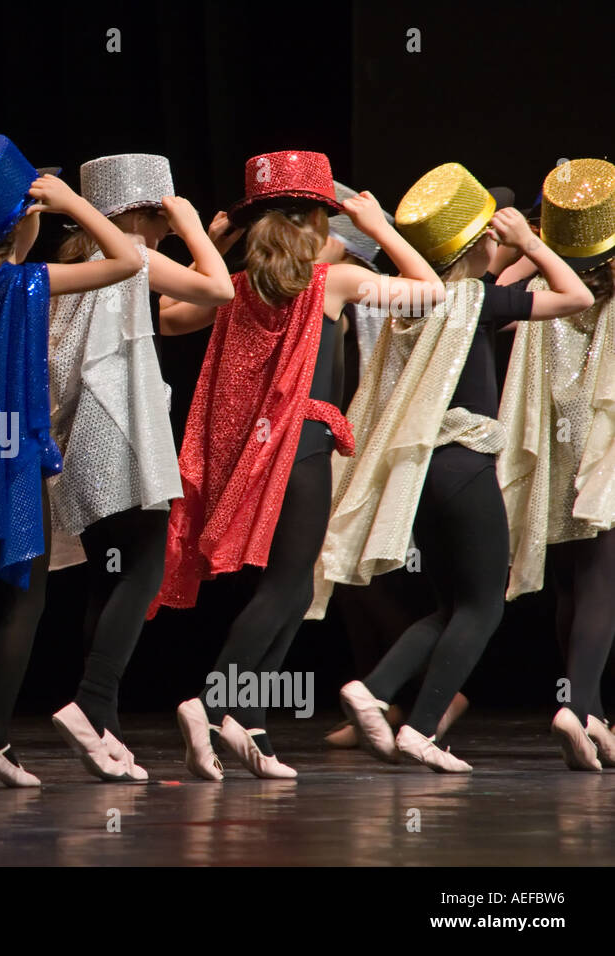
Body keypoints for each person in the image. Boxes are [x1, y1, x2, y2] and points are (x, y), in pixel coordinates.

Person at [151, 150, 445, 780]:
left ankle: (249, 724)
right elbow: (433, 294)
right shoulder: (326, 283)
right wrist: (379, 229)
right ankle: (209, 704)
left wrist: (215, 237)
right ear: (317, 223)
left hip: (255, 447)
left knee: (294, 587)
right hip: (303, 441)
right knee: (287, 587)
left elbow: (169, 319)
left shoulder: (234, 285)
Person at [314, 163, 593, 772]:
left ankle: (383, 697)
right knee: (484, 605)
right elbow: (579, 296)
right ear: (479, 244)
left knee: (453, 605)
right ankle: (409, 718)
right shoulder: (477, 299)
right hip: (465, 466)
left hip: (423, 472)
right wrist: (534, 243)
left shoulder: (415, 301)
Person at [0, 135, 142, 788]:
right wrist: (71, 202)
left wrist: (28, 217)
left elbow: (2, 258)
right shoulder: (27, 284)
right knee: (25, 601)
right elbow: (125, 259)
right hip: (10, 468)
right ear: (16, 226)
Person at [44, 153, 233, 782]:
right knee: (144, 569)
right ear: (149, 211)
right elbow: (218, 290)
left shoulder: (87, 260)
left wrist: (212, 239)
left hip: (80, 437)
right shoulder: (129, 252)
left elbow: (175, 320)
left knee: (112, 576)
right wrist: (197, 230)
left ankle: (105, 726)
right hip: (116, 434)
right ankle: (90, 703)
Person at [496, 158, 615, 770]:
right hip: (602, 423)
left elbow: (494, 298)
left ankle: (587, 708)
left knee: (574, 570)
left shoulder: (550, 276)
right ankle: (585, 710)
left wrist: (534, 246)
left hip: (559, 421)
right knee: (602, 572)